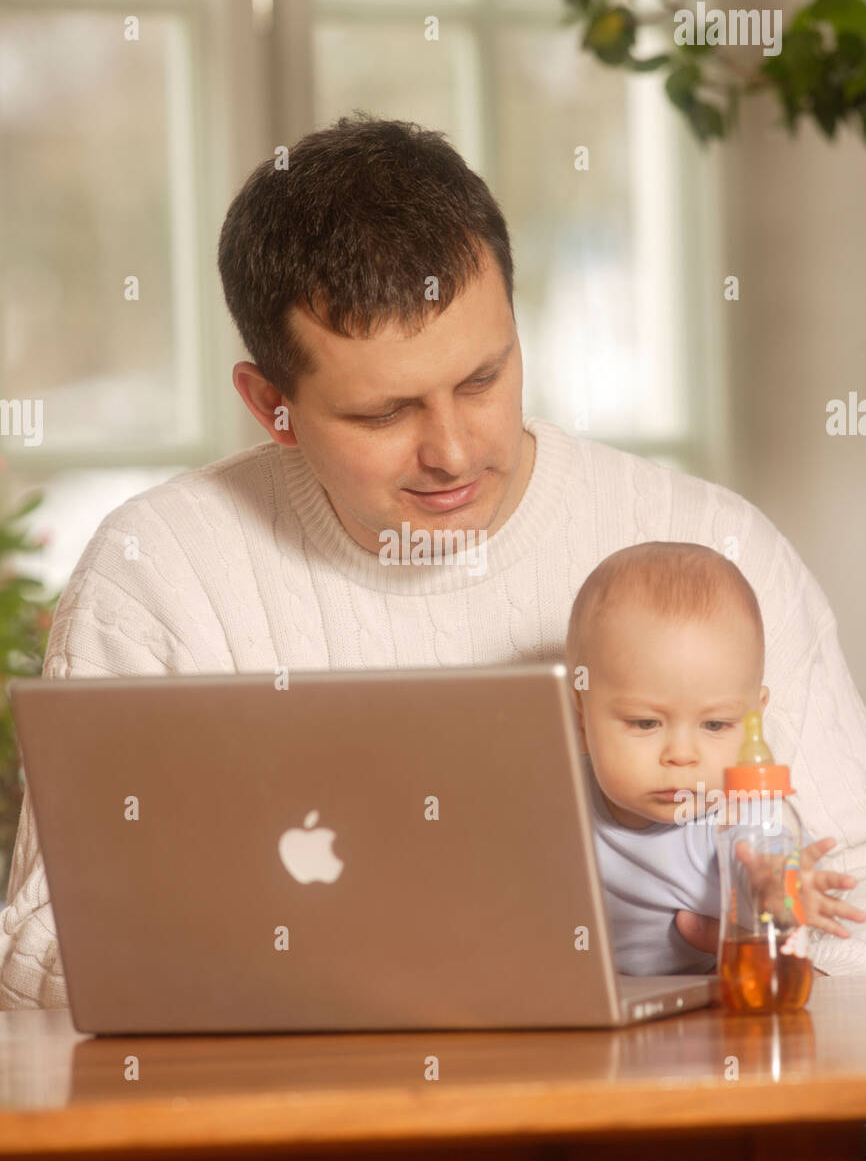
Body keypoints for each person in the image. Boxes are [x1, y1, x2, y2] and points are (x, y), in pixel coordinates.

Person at [2, 113, 866, 1009]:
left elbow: (856, 878)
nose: (453, 451)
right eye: (384, 414)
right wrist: (333, 972)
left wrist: (751, 943)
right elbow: (41, 945)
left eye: (483, 379)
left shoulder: (715, 548)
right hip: (288, 1129)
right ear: (272, 406)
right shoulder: (159, 574)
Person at [566, 541, 866, 975]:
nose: (682, 756)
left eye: (715, 725)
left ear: (753, 723)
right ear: (579, 720)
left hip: (703, 1023)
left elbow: (764, 859)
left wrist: (784, 887)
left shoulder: (732, 824)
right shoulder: (556, 799)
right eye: (646, 723)